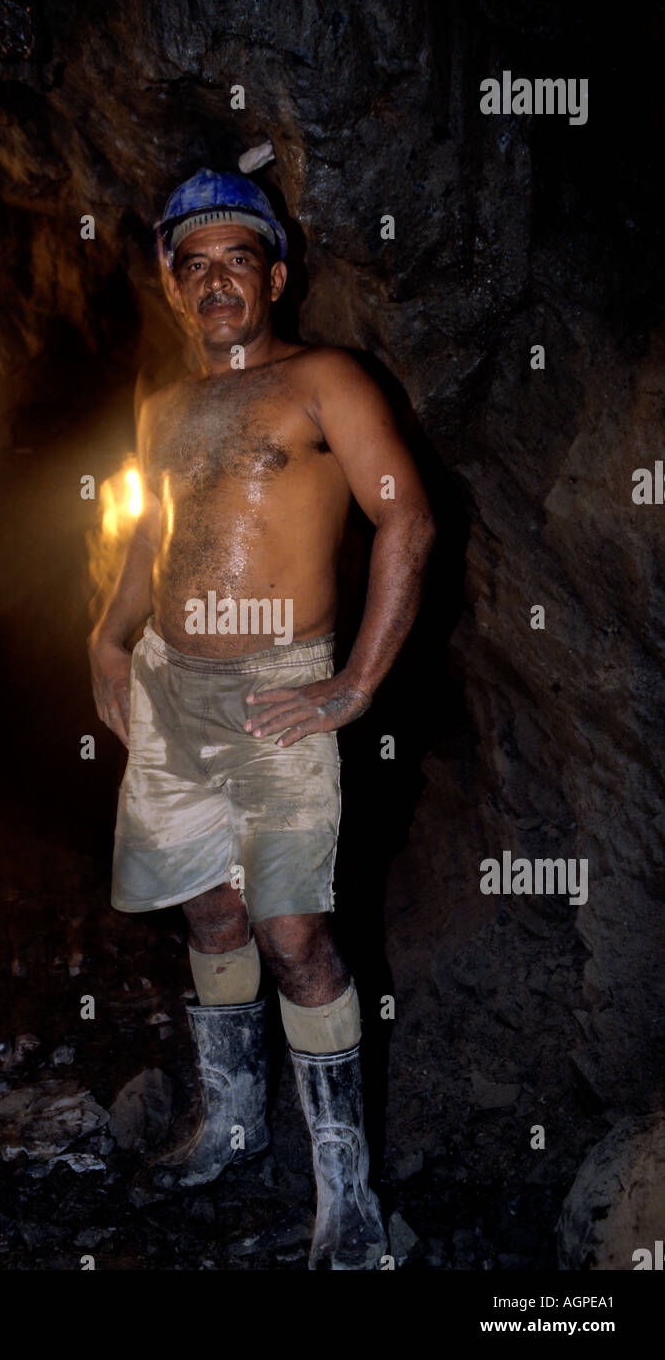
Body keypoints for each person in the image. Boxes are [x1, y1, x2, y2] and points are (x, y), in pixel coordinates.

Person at [88, 168, 435, 1269]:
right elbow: (150, 541)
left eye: (239, 258)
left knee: (294, 935)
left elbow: (408, 522)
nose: (218, 281)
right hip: (171, 684)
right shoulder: (165, 407)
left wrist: (352, 686)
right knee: (209, 918)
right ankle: (231, 1127)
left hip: (280, 690)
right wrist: (106, 638)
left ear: (275, 274)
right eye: (196, 265)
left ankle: (351, 1201)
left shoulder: (325, 380)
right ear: (176, 288)